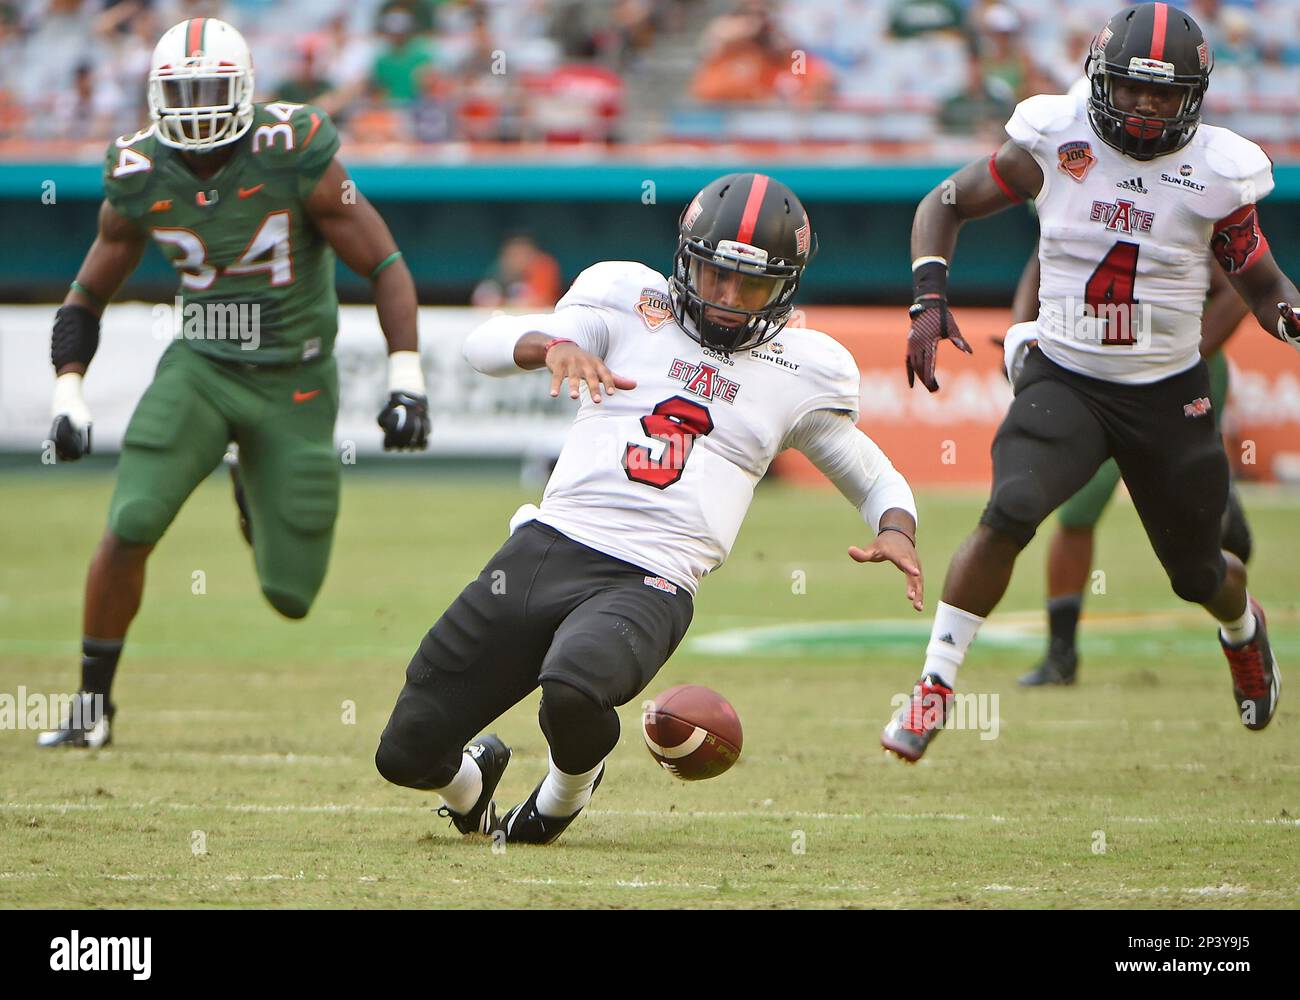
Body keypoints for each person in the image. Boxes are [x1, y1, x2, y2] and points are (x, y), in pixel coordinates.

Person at [377, 173, 921, 844]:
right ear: (685, 258)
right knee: (404, 751)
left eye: (747, 285)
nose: (724, 298)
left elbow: (872, 476)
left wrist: (896, 528)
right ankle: (471, 786)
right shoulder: (627, 301)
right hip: (549, 543)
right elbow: (479, 346)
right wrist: (553, 345)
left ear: (782, 289)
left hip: (651, 576)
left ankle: (563, 796)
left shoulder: (800, 369)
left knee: (573, 686)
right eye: (713, 274)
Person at [883, 3, 1295, 762]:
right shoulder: (1055, 136)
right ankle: (935, 685)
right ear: (1098, 81)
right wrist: (928, 299)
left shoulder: (1218, 169)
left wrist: (1293, 321)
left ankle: (1243, 629)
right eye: (1130, 90)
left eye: (1162, 95)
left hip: (1168, 389)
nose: (1142, 108)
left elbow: (1262, 285)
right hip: (1067, 372)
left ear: (1192, 100)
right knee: (1010, 509)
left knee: (1197, 572)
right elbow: (944, 203)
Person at [39, 17, 431, 749]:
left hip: (295, 382)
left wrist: (405, 379)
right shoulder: (137, 171)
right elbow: (85, 294)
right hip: (202, 369)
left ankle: (251, 483)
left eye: (208, 90)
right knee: (131, 523)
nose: (193, 106)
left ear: (247, 90)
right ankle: (92, 709)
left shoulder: (295, 153)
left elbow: (383, 264)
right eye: (180, 91)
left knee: (292, 595)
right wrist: (68, 392)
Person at [1013, 248, 1253, 686]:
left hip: (1170, 376)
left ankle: (1218, 506)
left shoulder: (1178, 191)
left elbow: (1236, 290)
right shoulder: (1075, 188)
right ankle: (1060, 653)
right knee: (1079, 507)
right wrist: (1022, 333)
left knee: (1190, 525)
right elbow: (1040, 259)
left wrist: (1182, 362)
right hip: (1099, 377)